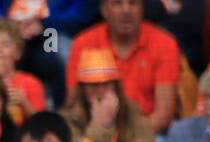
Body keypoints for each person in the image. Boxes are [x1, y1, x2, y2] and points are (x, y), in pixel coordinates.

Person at [66, 0, 180, 134]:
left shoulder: (164, 44)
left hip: (147, 132)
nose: (126, 10)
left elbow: (164, 115)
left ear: (142, 8)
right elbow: (74, 106)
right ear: (104, 10)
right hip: (96, 130)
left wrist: (126, 140)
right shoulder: (83, 44)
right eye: (117, 4)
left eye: (133, 3)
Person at [60, 49, 160, 142]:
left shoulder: (138, 122)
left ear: (116, 86)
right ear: (82, 89)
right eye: (94, 85)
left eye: (106, 84)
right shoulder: (66, 124)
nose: (101, 91)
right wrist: (101, 126)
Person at [0, 17, 45, 125]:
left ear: (18, 53)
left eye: (5, 44)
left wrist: (24, 102)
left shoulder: (31, 83)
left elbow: (41, 124)